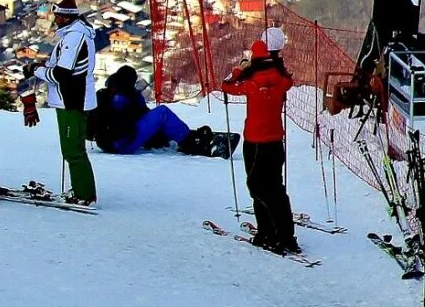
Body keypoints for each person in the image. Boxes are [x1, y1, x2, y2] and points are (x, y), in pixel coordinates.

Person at [221, 40, 298, 254]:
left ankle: (270, 233)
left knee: (257, 187)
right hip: (275, 142)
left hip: (255, 142)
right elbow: (288, 80)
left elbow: (226, 86)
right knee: (276, 187)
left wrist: (239, 69)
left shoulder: (250, 83)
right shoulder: (281, 80)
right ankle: (285, 235)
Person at [20, 0, 97, 206]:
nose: (55, 19)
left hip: (73, 99)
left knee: (73, 150)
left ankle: (84, 195)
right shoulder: (74, 34)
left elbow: (62, 73)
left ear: (66, 17)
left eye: (58, 16)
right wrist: (41, 67)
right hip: (72, 98)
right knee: (72, 149)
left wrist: (36, 70)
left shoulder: (74, 38)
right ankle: (81, 190)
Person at [89, 66, 227, 157]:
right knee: (162, 113)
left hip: (108, 144)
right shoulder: (129, 95)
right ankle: (191, 142)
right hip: (123, 142)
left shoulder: (102, 94)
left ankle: (183, 135)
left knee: (158, 117)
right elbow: (142, 115)